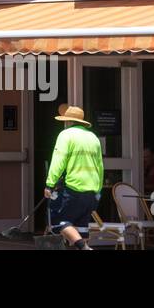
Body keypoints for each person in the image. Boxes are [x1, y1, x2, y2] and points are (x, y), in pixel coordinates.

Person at [44, 105, 104, 250]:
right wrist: (98, 190)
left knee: (59, 222)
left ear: (68, 121)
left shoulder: (66, 135)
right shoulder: (93, 137)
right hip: (92, 191)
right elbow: (100, 166)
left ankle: (84, 248)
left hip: (73, 188)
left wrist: (49, 184)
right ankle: (84, 246)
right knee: (82, 228)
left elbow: (58, 161)